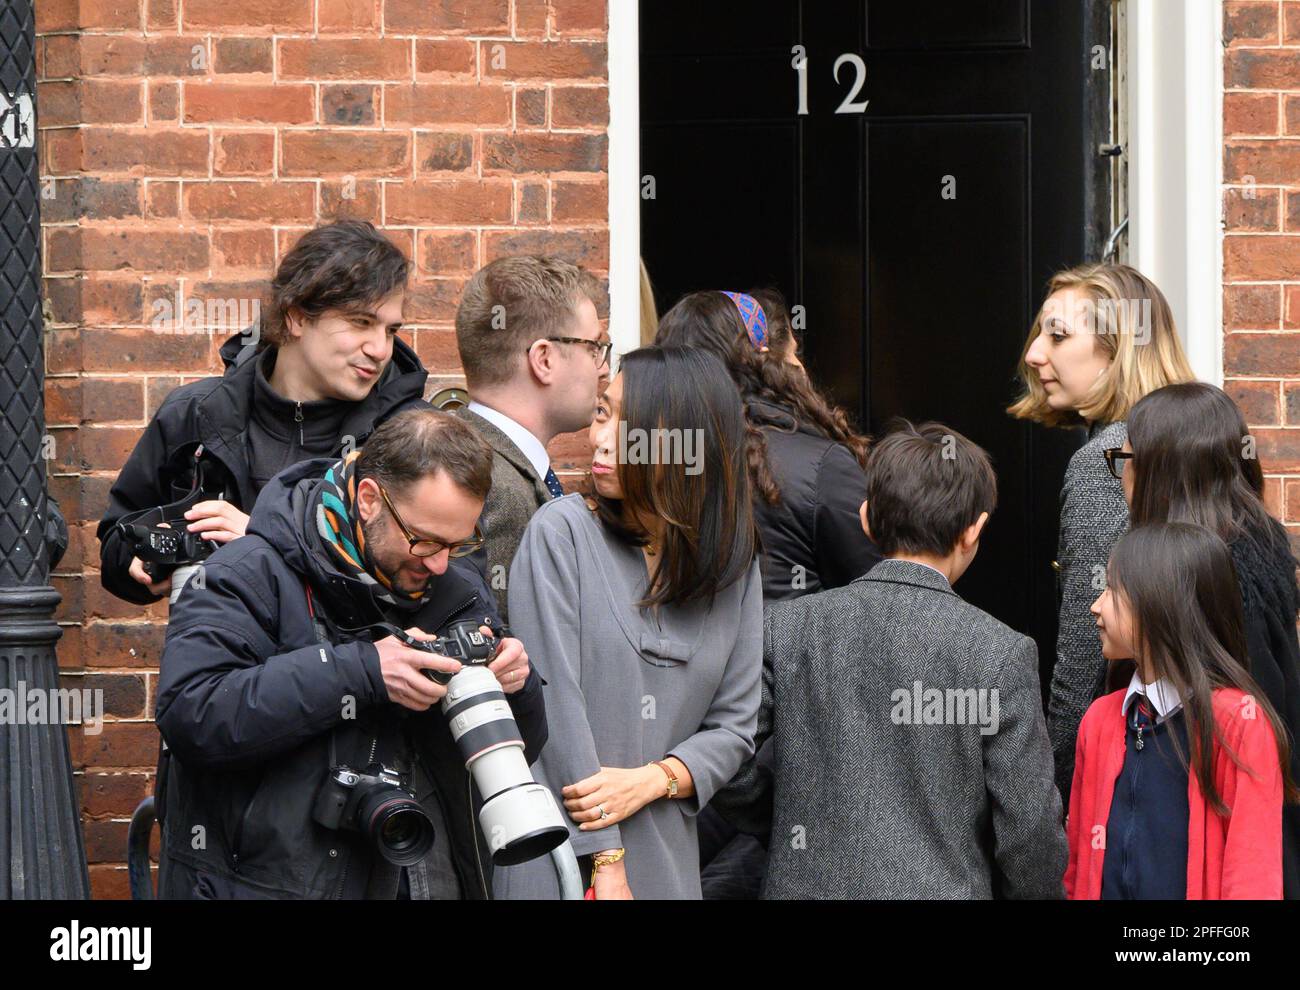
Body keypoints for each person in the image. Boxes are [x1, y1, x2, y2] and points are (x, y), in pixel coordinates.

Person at [153, 409, 546, 899]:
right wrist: (364, 671)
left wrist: (517, 684)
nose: (441, 562)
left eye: (458, 543)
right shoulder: (247, 572)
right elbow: (193, 712)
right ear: (368, 501)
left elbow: (521, 747)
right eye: (425, 541)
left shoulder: (457, 588)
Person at [711, 420, 1067, 899]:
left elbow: (729, 758)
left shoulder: (789, 628)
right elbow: (1029, 831)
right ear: (974, 530)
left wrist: (789, 815)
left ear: (865, 519)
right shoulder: (999, 653)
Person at [493, 346, 763, 899]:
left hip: (666, 857)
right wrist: (606, 860)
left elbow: (735, 726)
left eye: (629, 424)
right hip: (564, 860)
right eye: (601, 412)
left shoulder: (732, 565)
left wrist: (650, 781)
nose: (601, 439)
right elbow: (556, 710)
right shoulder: (562, 533)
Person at [656, 287, 882, 898]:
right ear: (771, 358)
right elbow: (881, 603)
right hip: (788, 740)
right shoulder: (820, 464)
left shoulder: (651, 461)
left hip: (670, 733)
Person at [98, 219, 428, 605]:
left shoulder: (411, 437)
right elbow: (116, 538)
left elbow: (445, 579)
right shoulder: (194, 415)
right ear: (296, 316)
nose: (380, 348)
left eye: (389, 330)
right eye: (361, 323)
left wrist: (262, 539)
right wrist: (138, 558)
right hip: (215, 659)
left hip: (361, 663)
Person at [1007, 262, 1195, 806]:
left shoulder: (1107, 459)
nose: (1035, 353)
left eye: (1058, 335)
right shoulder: (1182, 444)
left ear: (1119, 352)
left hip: (1124, 759)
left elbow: (1086, 652)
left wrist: (1056, 795)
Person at [1116, 382, 1300, 897]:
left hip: (1212, 841)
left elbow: (1249, 720)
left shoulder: (1216, 575)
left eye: (1128, 458)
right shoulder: (1251, 547)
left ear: (1163, 470)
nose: (1122, 474)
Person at [1066, 523, 1295, 899]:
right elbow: (1077, 869)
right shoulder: (1100, 720)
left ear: (1159, 604)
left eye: (1111, 589)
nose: (1096, 605)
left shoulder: (1238, 726)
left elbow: (1252, 883)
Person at [656, 288, 880, 601]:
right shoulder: (821, 466)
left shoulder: (655, 456)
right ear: (769, 363)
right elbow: (877, 594)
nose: (801, 367)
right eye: (793, 354)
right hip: (789, 648)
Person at [453, 256, 609, 620]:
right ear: (544, 359)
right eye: (594, 348)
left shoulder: (474, 455)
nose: (602, 369)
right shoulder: (495, 487)